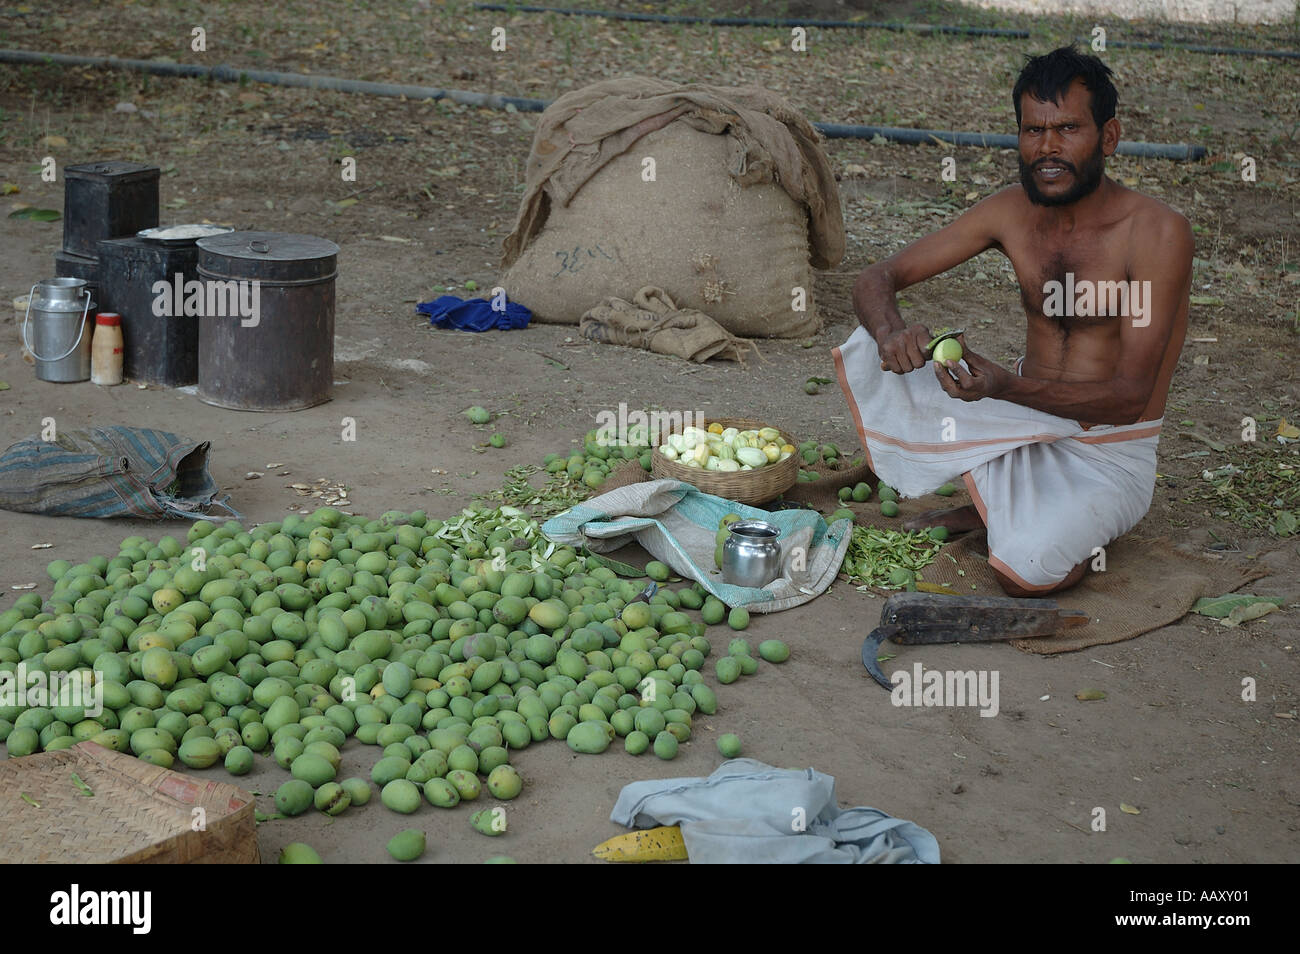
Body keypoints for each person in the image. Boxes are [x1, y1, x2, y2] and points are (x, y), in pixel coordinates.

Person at [835, 45, 1192, 597]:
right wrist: (890, 333)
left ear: (1110, 136)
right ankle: (1001, 499)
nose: (1047, 148)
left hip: (1107, 448)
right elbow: (875, 279)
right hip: (1013, 416)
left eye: (1068, 128)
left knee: (1023, 574)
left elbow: (1129, 399)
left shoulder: (1155, 234)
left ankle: (1012, 509)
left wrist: (1005, 385)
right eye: (1032, 131)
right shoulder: (1009, 212)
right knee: (873, 353)